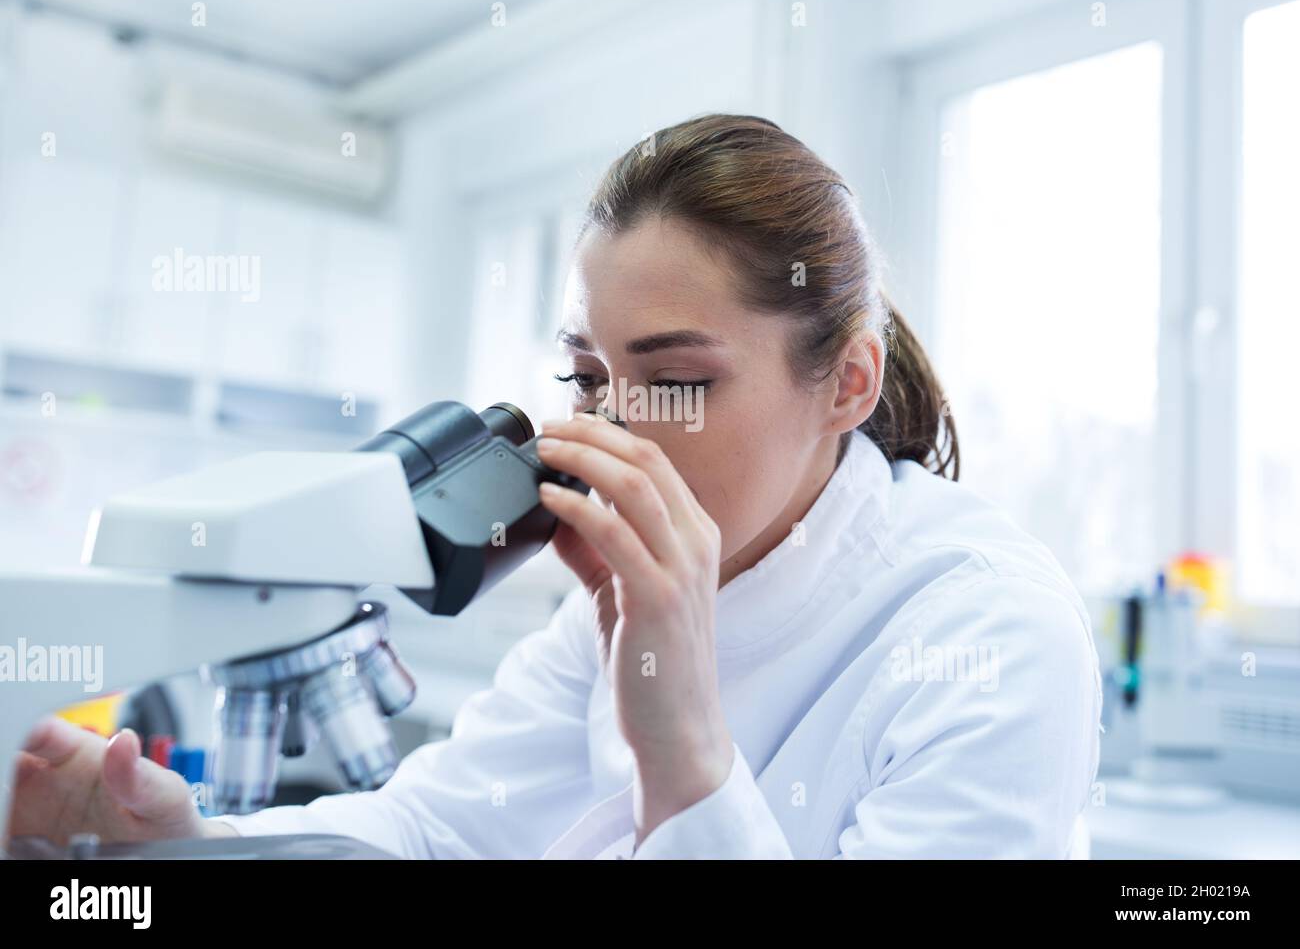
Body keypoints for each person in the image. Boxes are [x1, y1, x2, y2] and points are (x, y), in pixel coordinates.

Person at [7, 114, 1102, 859]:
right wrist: (184, 841)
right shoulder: (617, 606)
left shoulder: (991, 633)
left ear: (846, 383)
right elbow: (433, 831)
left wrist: (683, 747)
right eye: (586, 379)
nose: (614, 427)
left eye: (677, 380)